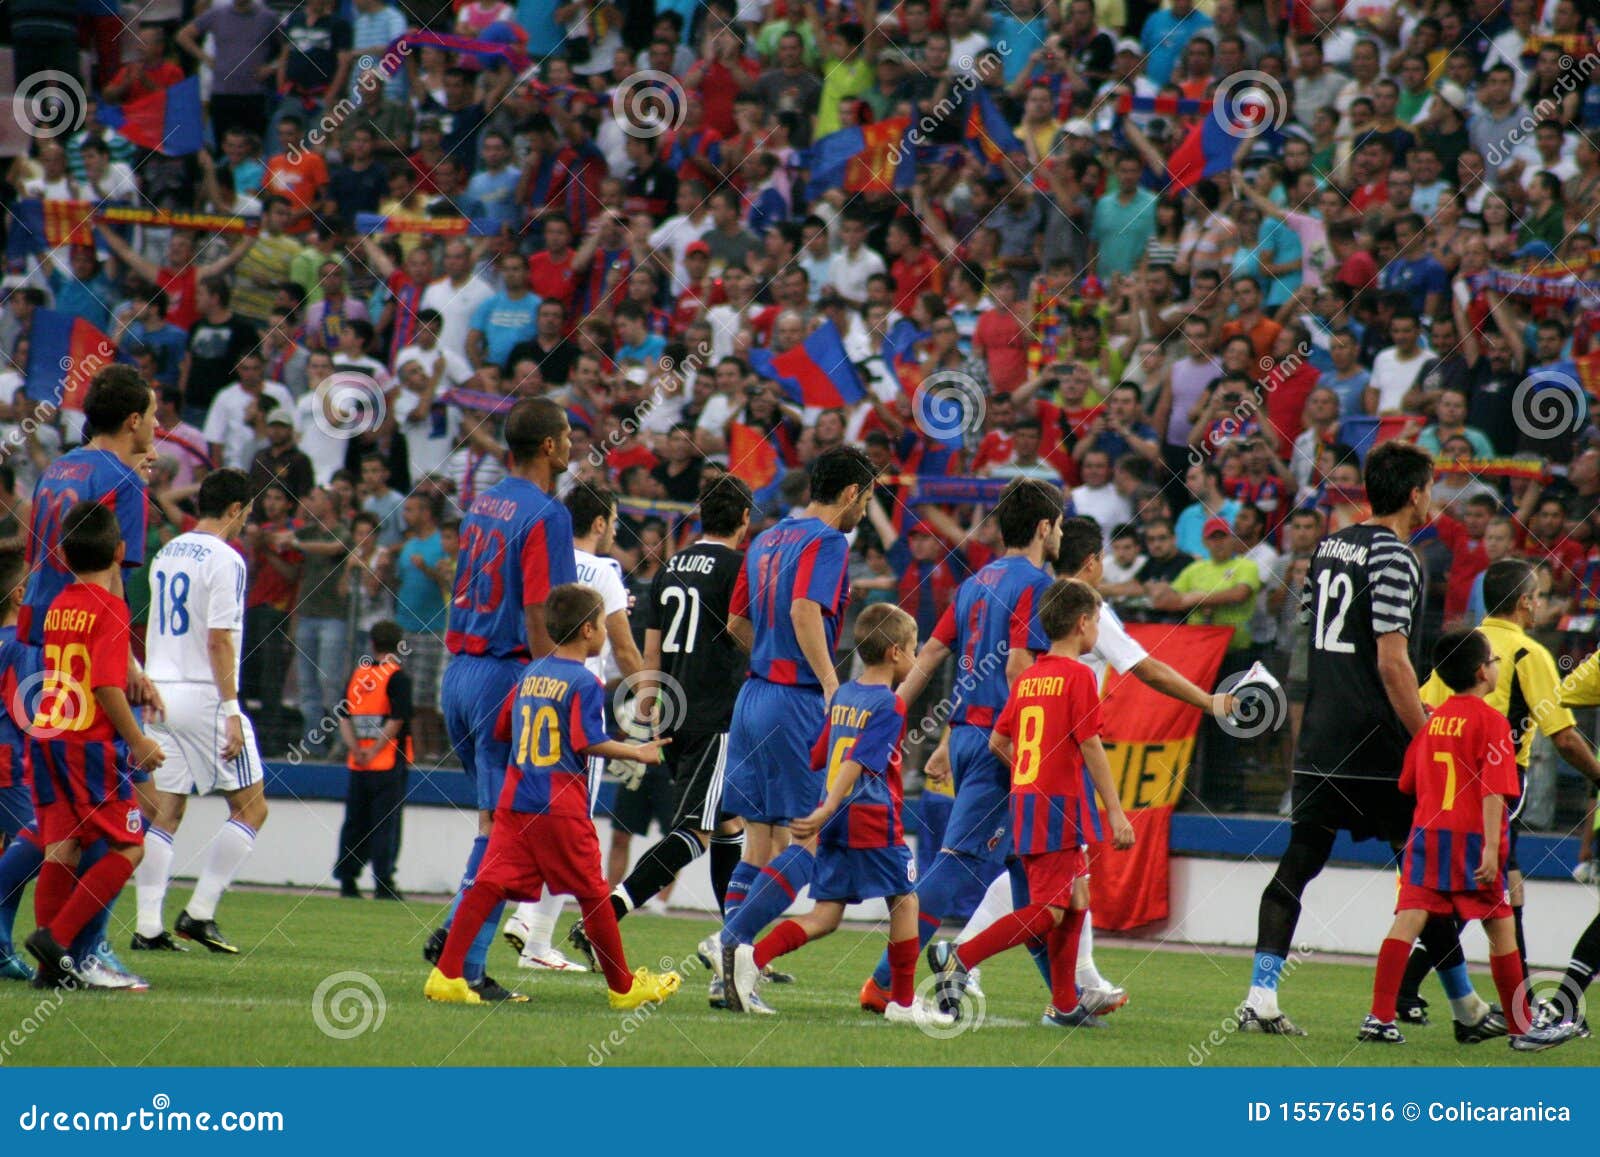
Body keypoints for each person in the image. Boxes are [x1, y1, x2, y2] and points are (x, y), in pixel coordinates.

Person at [1239, 440, 1435, 1035]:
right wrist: (1427, 737)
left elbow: (1311, 638)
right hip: (1378, 740)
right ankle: (1447, 1005)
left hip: (1323, 736)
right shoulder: (1398, 557)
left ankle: (1260, 998)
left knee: (1299, 862)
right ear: (1415, 493)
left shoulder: (1329, 546)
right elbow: (1393, 662)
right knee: (1424, 874)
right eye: (1430, 487)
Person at [423, 584, 680, 1010]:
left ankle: (447, 974)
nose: (606, 632)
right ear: (587, 630)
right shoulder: (584, 681)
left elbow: (503, 728)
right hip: (559, 801)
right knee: (593, 892)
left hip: (516, 797)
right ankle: (623, 988)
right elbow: (586, 740)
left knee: (487, 884)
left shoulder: (531, 672)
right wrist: (638, 751)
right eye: (602, 624)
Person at [860, 479, 1063, 1014]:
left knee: (1028, 875)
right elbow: (1018, 668)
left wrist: (891, 715)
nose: (1061, 534)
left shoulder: (975, 583)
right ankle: (884, 982)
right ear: (1045, 527)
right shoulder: (1037, 585)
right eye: (1059, 525)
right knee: (955, 866)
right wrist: (1023, 743)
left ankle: (1068, 996)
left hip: (968, 733)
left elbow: (929, 655)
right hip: (1005, 741)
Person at [563, 476, 754, 1003]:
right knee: (696, 829)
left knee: (727, 823)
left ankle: (735, 946)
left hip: (673, 708)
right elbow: (741, 633)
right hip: (717, 711)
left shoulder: (672, 565)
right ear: (743, 519)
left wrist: (649, 702)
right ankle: (605, 916)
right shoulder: (738, 569)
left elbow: (651, 645)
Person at [704, 446, 878, 1007]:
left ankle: (726, 975)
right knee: (809, 836)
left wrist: (772, 658)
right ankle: (730, 942)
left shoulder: (768, 537)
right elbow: (806, 610)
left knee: (758, 841)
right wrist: (829, 685)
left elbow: (735, 622)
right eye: (867, 498)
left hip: (753, 697)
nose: (864, 510)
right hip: (795, 703)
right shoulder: (827, 542)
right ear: (850, 493)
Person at [1395, 558, 1600, 1033]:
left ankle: (1503, 1003)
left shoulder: (1464, 645)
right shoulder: (1529, 653)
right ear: (1526, 602)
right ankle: (1515, 1012)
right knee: (1485, 892)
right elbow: (1564, 736)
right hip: (1498, 784)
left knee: (1502, 887)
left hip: (1446, 785)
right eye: (1539, 596)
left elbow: (1423, 708)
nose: (1541, 604)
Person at [727, 603, 949, 1025]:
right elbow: (860, 760)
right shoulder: (889, 705)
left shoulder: (844, 695)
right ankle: (902, 1003)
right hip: (871, 817)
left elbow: (819, 754)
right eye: (913, 647)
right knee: (906, 902)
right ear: (895, 653)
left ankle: (750, 959)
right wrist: (830, 803)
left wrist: (826, 805)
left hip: (835, 821)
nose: (917, 655)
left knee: (826, 916)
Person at [928, 578, 1135, 1028]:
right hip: (1058, 805)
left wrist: (1031, 771)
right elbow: (1092, 745)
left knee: (1076, 898)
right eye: (1096, 622)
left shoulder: (1029, 678)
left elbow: (998, 741)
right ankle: (960, 956)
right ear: (1083, 624)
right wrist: (1116, 811)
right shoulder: (1080, 676)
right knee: (1050, 910)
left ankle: (1063, 1005)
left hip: (1029, 801)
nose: (1097, 631)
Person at [425, 398, 577, 1002]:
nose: (573, 445)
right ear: (549, 446)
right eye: (568, 436)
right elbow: (540, 610)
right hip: (506, 676)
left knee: (502, 822)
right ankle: (463, 961)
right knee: (505, 827)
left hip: (460, 671)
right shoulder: (548, 513)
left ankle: (456, 936)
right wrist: (550, 684)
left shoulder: (483, 504)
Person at [16, 366, 163, 988]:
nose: (156, 424)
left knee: (54, 824)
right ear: (133, 421)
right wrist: (131, 667)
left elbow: (38, 554)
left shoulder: (59, 468)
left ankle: (50, 954)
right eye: (152, 414)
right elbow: (114, 580)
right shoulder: (123, 481)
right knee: (127, 811)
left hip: (41, 644)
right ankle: (83, 946)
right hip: (90, 654)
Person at [1360, 628, 1574, 1051]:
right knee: (1501, 924)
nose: (1495, 666)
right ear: (1481, 672)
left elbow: (1407, 782)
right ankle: (1522, 1028)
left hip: (1427, 836)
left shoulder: (1432, 721)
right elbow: (1495, 789)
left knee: (1408, 919)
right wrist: (1492, 849)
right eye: (1493, 660)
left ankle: (1379, 1017)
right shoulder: (1493, 722)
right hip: (1472, 839)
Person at [502, 482, 643, 972]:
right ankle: (534, 933)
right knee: (573, 823)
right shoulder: (604, 572)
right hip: (580, 699)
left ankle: (523, 921)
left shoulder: (547, 562)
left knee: (533, 818)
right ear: (600, 523)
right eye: (614, 520)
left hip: (535, 693)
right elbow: (624, 649)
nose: (615, 529)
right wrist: (651, 697)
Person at [133, 469, 267, 954]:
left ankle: (148, 927)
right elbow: (218, 639)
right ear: (234, 509)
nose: (246, 521)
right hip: (202, 693)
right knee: (251, 808)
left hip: (159, 690)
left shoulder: (169, 551)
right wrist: (230, 709)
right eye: (246, 512)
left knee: (165, 811)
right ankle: (200, 912)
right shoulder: (227, 559)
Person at [335, 620, 413, 901]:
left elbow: (344, 717)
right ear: (398, 645)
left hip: (358, 764)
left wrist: (357, 749)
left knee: (355, 822)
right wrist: (376, 749)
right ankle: (384, 880)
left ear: (372, 644)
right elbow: (397, 719)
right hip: (388, 762)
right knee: (386, 824)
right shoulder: (398, 678)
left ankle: (348, 879)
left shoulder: (358, 676)